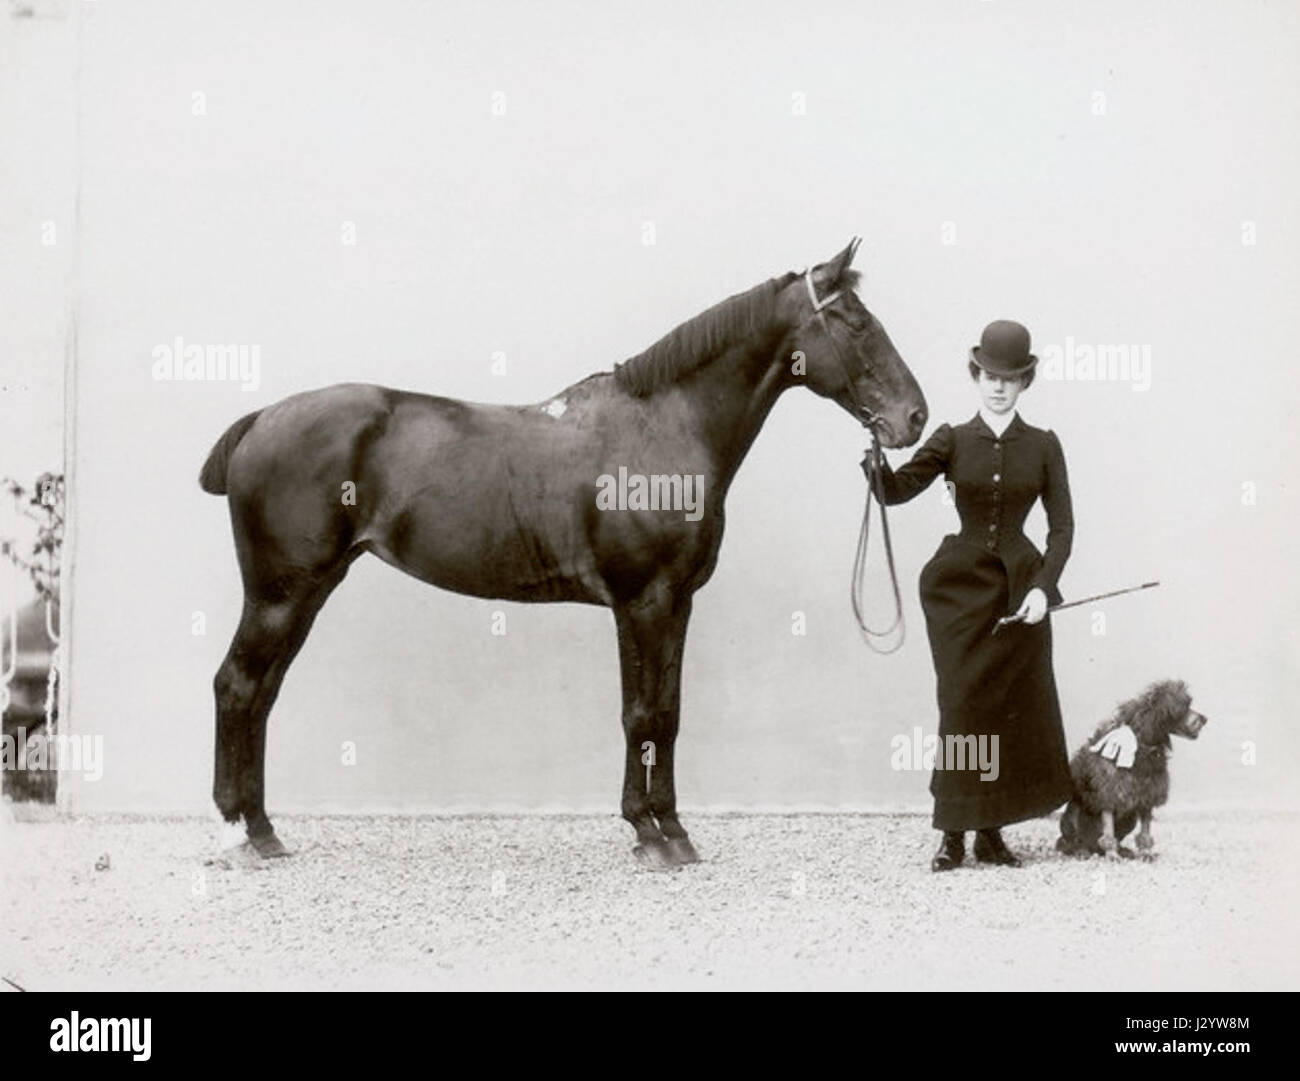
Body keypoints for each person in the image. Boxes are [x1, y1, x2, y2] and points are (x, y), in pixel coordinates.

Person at [863, 320, 1075, 870]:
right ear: (975, 375)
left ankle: (991, 832)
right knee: (961, 707)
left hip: (1020, 595)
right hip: (960, 592)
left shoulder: (1045, 446)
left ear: (1025, 382)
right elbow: (898, 490)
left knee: (1005, 710)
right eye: (988, 375)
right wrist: (875, 464)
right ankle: (952, 832)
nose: (998, 386)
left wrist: (1042, 590)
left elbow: (1062, 530)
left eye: (1010, 378)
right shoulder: (951, 439)